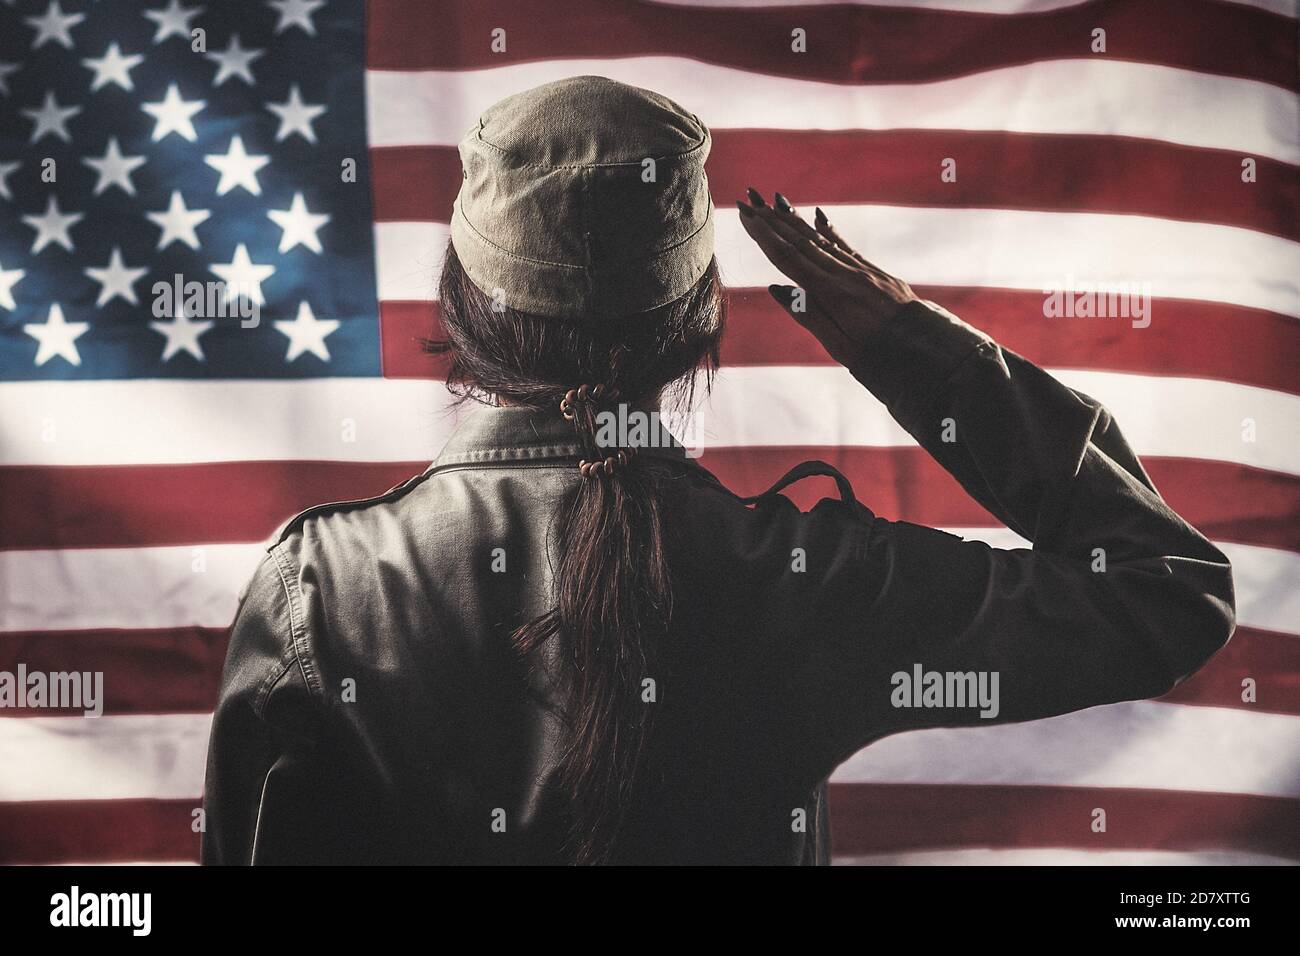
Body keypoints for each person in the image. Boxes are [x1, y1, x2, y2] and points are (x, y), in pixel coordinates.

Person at [202, 76, 1234, 865]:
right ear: (696, 324)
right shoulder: (805, 578)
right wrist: (919, 350)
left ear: (465, 308)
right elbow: (1164, 591)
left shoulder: (320, 585)